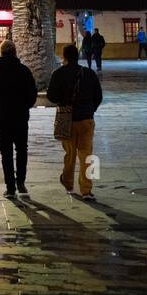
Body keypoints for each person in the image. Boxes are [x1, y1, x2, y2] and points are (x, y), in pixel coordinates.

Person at [0, 40, 38, 197]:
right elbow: (33, 93)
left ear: (1, 52)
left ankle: (10, 187)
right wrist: (25, 106)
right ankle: (21, 182)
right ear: (14, 52)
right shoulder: (23, 70)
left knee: (6, 153)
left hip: (0, 118)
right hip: (20, 117)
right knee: (21, 150)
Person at [47, 44, 102, 201]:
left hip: (67, 119)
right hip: (86, 119)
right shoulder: (89, 73)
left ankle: (68, 183)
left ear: (64, 57)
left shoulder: (58, 74)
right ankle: (86, 190)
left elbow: (51, 96)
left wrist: (63, 102)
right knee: (87, 155)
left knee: (69, 154)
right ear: (77, 56)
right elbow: (98, 96)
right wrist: (90, 110)